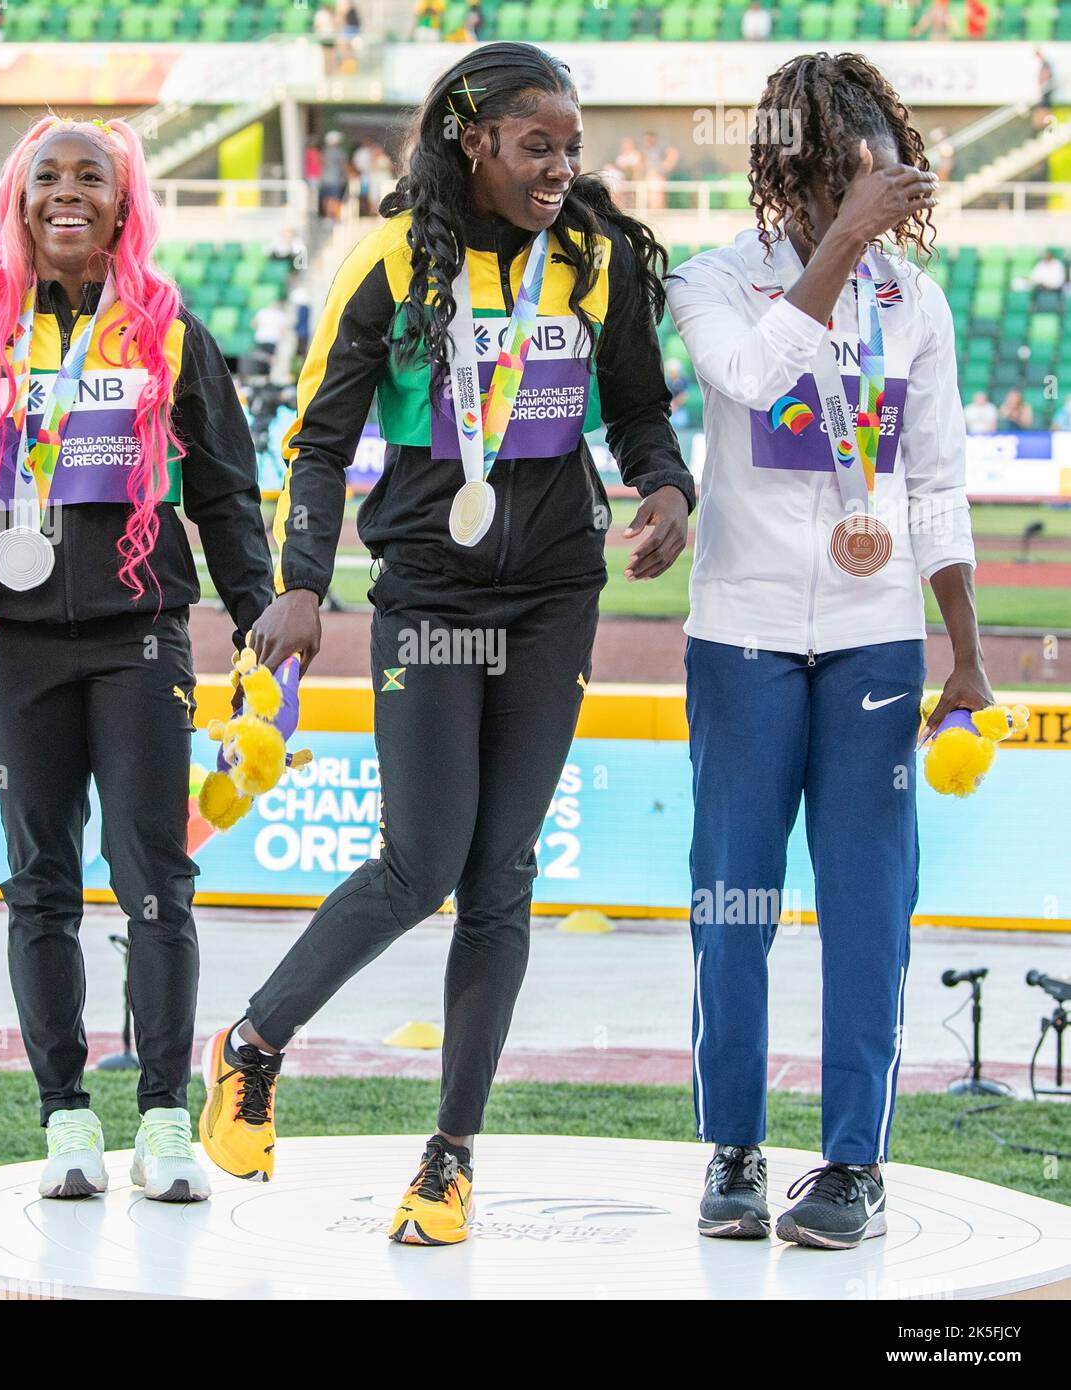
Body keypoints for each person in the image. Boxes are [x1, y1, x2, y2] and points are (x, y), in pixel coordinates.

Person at [198, 41, 693, 1246]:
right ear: (474, 140)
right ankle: (255, 1040)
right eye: (538, 147)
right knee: (423, 863)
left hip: (557, 591)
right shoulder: (386, 257)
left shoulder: (594, 255)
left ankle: (451, 1157)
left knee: (505, 874)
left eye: (572, 149)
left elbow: (636, 404)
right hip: (430, 594)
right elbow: (318, 439)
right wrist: (301, 584)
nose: (561, 170)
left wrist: (665, 487)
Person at [0, 115, 272, 1204]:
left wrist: (257, 612)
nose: (67, 192)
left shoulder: (165, 329)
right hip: (13, 643)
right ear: (18, 202)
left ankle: (159, 1117)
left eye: (90, 178)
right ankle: (65, 1115)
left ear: (120, 204)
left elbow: (225, 490)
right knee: (38, 887)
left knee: (156, 880)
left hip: (137, 633)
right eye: (44, 176)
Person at [666, 52, 992, 1251]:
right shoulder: (717, 280)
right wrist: (840, 248)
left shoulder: (919, 302)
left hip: (874, 643)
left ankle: (854, 1163)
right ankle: (735, 1148)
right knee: (734, 900)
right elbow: (751, 377)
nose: (859, 191)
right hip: (742, 639)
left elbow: (939, 482)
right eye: (836, 172)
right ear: (790, 168)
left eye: (872, 169)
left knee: (868, 906)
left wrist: (964, 652)